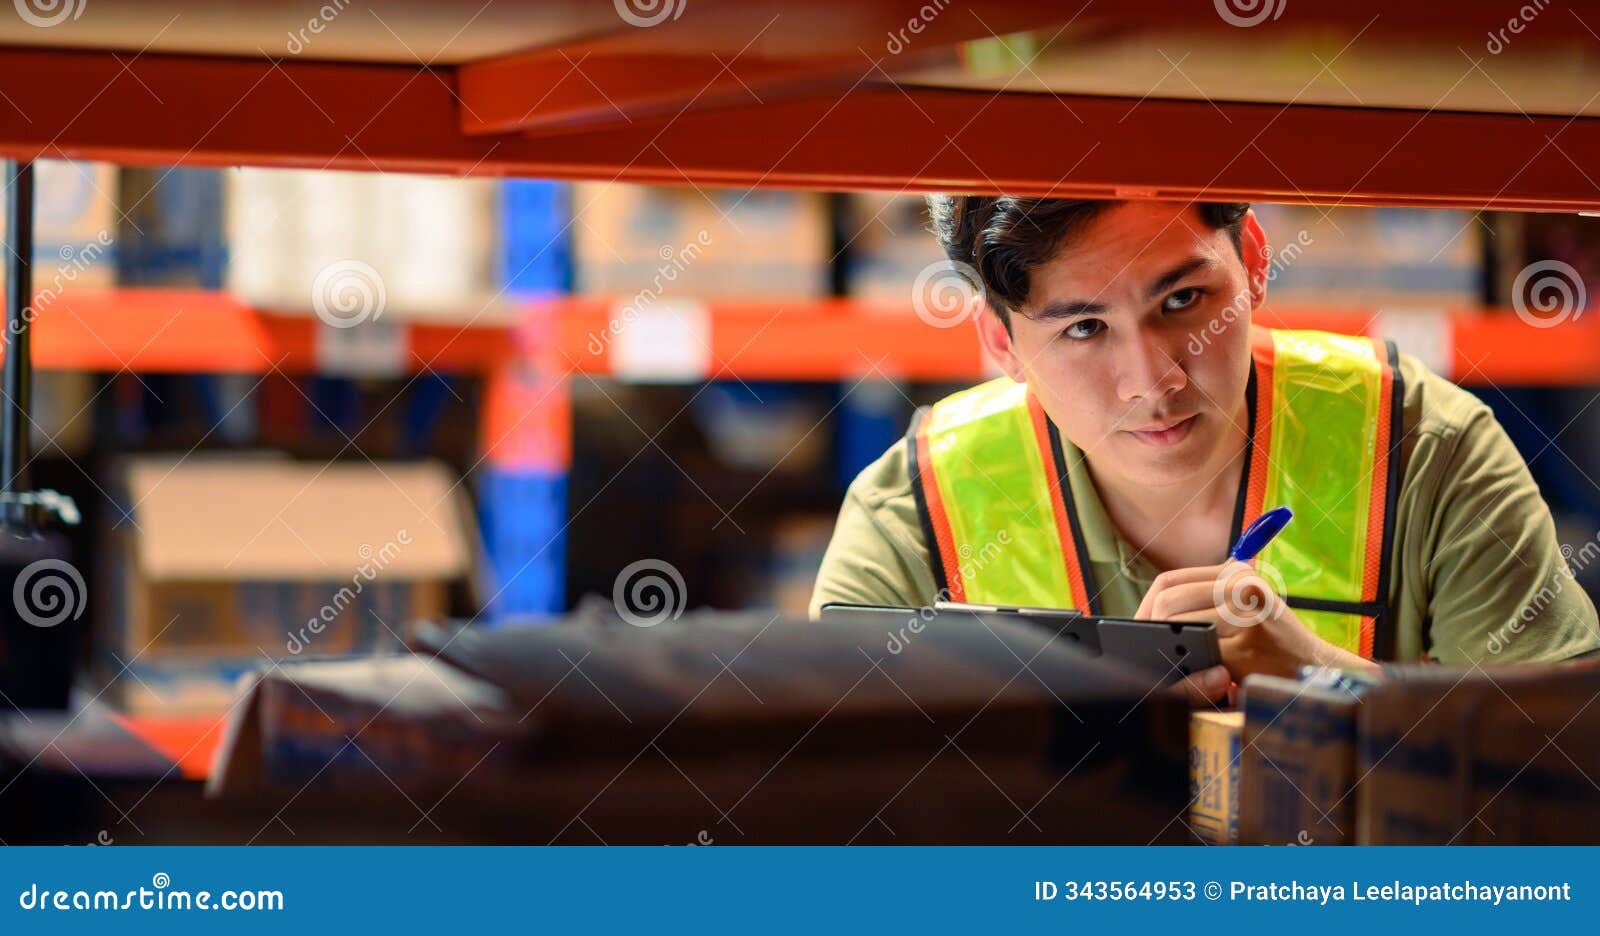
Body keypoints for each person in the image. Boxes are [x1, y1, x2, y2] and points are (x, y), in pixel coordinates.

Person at [810, 197, 1600, 703]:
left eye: (1184, 301)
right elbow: (840, 823)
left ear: (1254, 259)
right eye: (1083, 329)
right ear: (1000, 341)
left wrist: (1316, 677)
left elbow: (1562, 780)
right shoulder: (916, 508)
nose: (1152, 381)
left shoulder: (1428, 448)